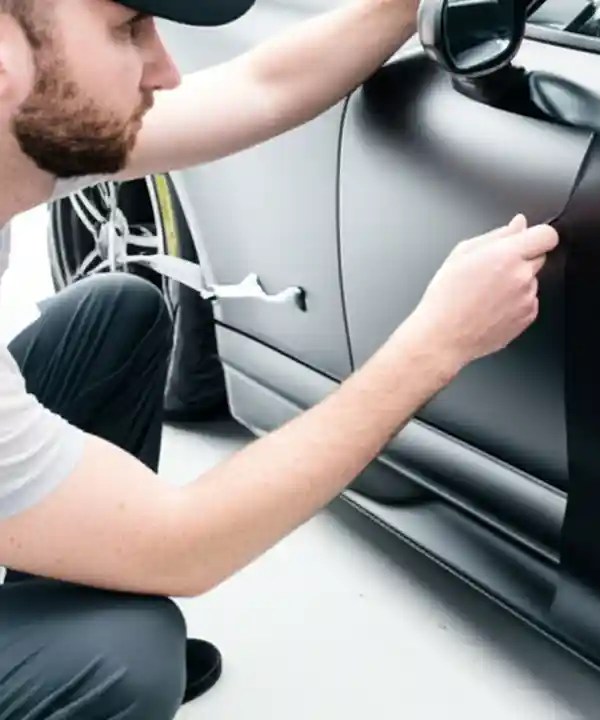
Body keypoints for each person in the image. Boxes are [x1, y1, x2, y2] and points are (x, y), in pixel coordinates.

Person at [0, 0, 559, 716]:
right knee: (122, 658)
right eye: (128, 29)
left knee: (118, 311)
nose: (167, 71)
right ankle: (56, 662)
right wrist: (439, 342)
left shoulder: (23, 128)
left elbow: (262, 87)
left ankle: (52, 612)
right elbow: (182, 545)